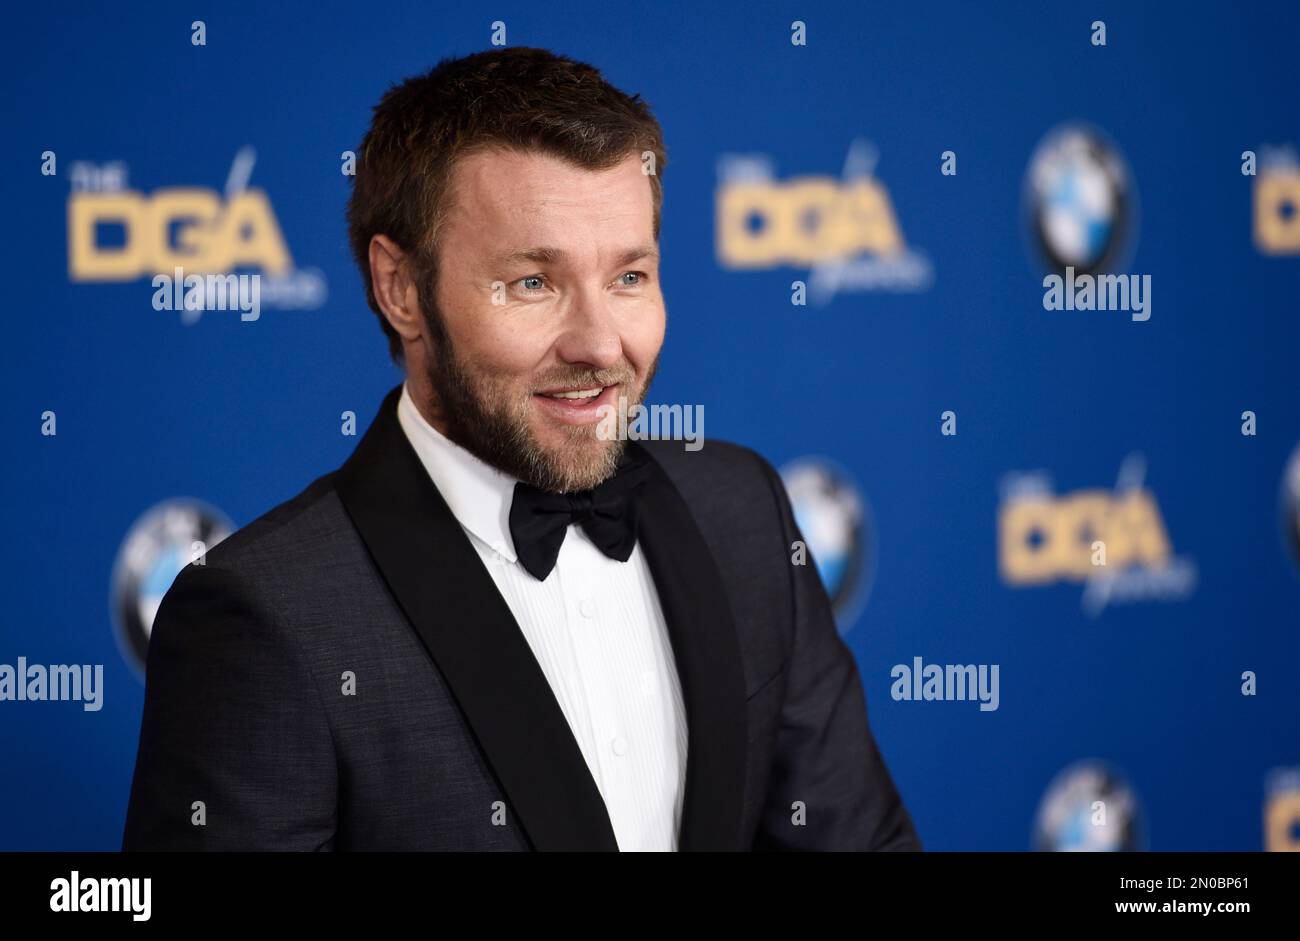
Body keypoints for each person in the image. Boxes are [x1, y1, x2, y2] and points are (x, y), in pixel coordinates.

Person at [121, 46, 920, 852]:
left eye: (630, 276)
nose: (600, 345)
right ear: (401, 288)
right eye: (533, 282)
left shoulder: (740, 509)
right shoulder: (266, 614)